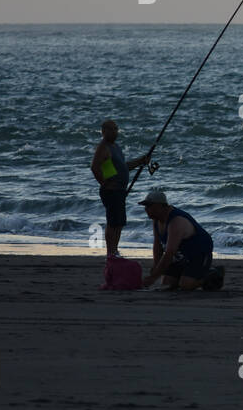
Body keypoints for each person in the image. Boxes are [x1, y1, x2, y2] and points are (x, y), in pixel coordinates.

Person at [138, 189, 224, 291]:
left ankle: (213, 273)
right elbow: (157, 245)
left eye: (149, 206)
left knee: (186, 285)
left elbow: (170, 252)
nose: (146, 209)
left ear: (161, 206)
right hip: (181, 256)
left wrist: (153, 277)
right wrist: (156, 266)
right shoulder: (156, 219)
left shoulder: (176, 221)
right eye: (145, 206)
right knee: (167, 284)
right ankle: (187, 275)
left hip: (199, 253)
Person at [91, 120, 150, 257]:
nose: (115, 132)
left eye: (116, 129)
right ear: (103, 131)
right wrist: (104, 183)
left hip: (120, 190)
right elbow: (94, 167)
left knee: (119, 223)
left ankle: (114, 250)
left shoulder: (115, 147)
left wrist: (141, 161)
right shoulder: (103, 147)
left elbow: (124, 167)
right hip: (111, 191)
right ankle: (110, 252)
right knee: (112, 222)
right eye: (111, 129)